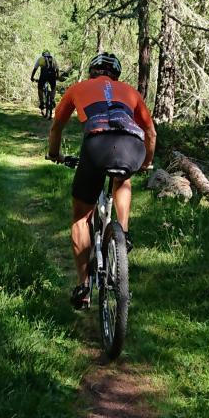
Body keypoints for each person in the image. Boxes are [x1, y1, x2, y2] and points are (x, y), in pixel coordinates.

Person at [47, 52, 156, 308]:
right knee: (123, 178)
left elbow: (57, 126)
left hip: (97, 145)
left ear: (91, 72)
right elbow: (150, 132)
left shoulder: (78, 88)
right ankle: (123, 233)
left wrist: (54, 154)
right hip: (132, 145)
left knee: (81, 217)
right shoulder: (130, 91)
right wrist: (146, 162)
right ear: (116, 75)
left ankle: (83, 286)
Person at [30, 50, 59, 116]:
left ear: (43, 55)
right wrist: (57, 77)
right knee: (53, 87)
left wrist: (32, 77)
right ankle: (52, 99)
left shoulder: (40, 59)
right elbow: (57, 69)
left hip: (44, 74)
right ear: (49, 54)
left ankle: (42, 103)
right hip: (52, 74)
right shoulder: (53, 59)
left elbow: (35, 69)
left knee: (40, 88)